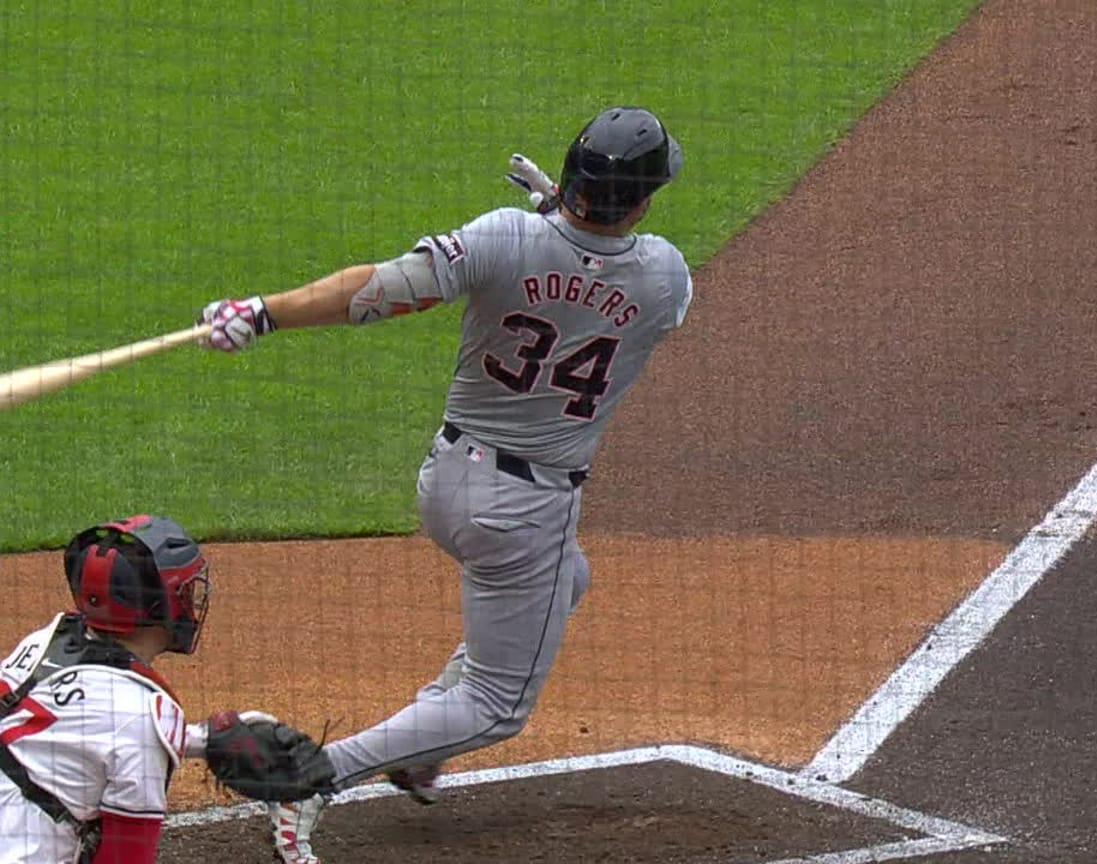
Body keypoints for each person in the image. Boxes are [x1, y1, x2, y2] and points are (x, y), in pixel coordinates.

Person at [197, 105, 692, 864]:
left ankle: (422, 746)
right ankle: (316, 780)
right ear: (646, 198)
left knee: (571, 578)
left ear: (569, 174)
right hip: (527, 511)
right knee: (498, 707)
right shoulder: (663, 278)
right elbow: (590, 272)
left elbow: (380, 290)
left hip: (448, 482)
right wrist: (560, 220)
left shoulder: (498, 239)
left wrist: (262, 315)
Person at [0, 515, 217, 863]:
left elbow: (82, 731)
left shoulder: (49, 641)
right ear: (163, 604)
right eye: (186, 590)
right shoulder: (142, 716)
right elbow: (126, 856)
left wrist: (203, 742)